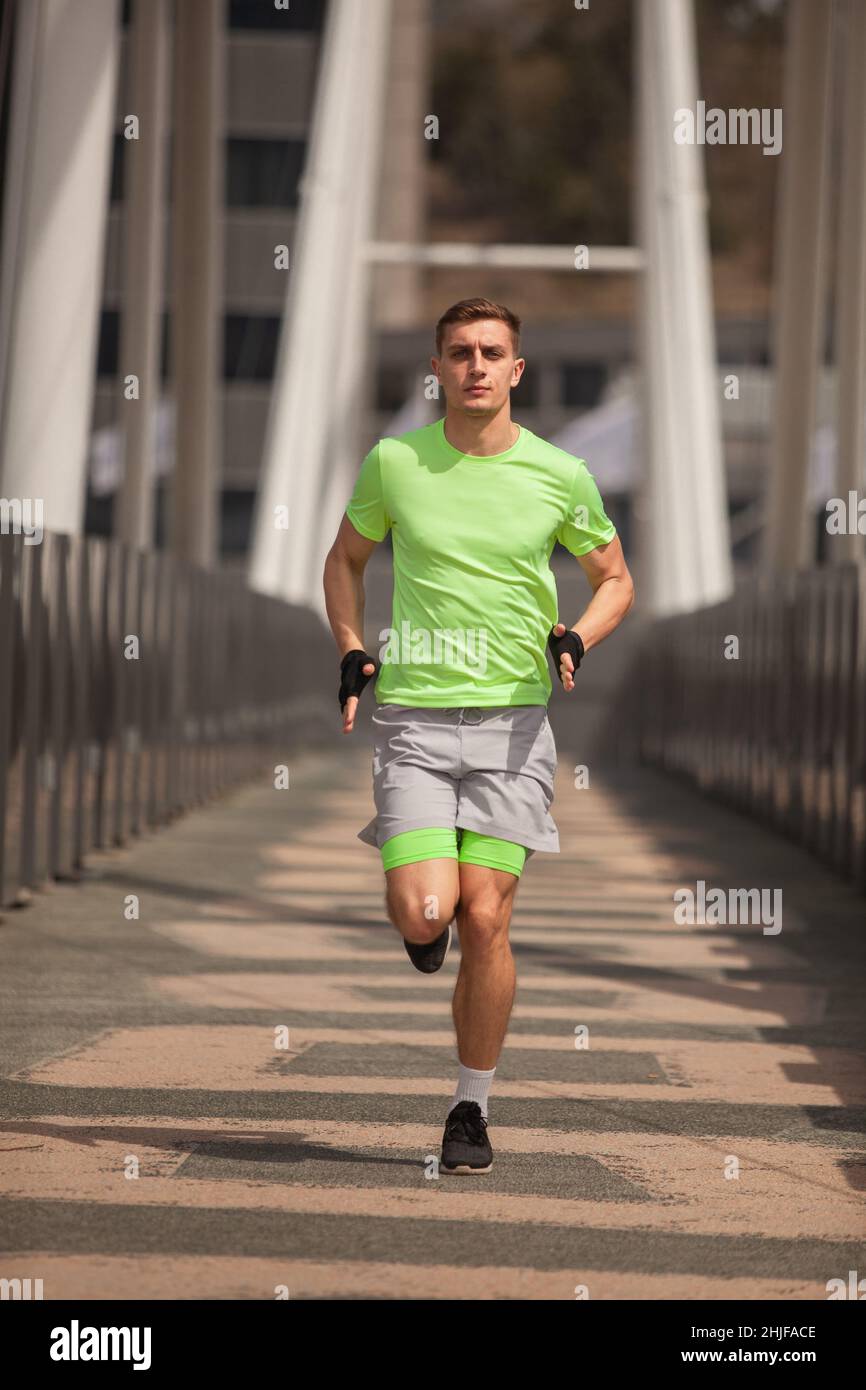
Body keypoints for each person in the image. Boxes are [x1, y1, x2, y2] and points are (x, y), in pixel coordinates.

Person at [322, 298, 634, 1174]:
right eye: (460, 353)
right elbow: (344, 560)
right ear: (439, 368)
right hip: (416, 726)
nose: (476, 368)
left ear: (517, 371)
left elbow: (614, 578)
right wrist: (351, 646)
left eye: (493, 353)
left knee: (487, 916)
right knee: (429, 911)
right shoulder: (396, 462)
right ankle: (428, 930)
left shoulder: (559, 475)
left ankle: (470, 1108)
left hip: (511, 730)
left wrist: (577, 634)